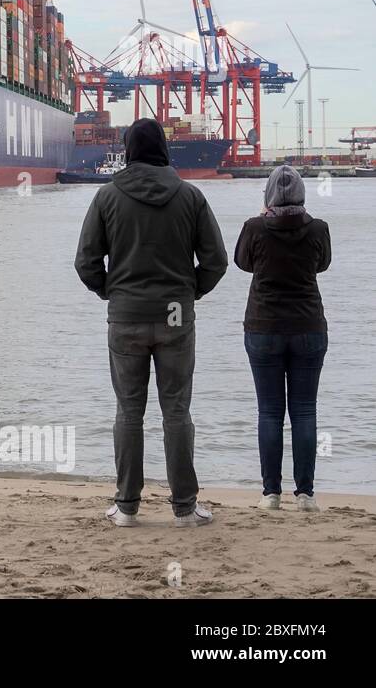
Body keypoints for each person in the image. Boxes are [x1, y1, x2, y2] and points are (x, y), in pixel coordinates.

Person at [74, 118, 227, 527]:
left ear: (127, 149)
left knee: (129, 412)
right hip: (176, 316)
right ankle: (185, 509)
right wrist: (189, 292)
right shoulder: (190, 196)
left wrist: (111, 291)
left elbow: (86, 262)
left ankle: (126, 508)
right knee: (176, 411)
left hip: (125, 315)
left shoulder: (106, 196)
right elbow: (216, 261)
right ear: (164, 148)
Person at [234, 165, 330, 512]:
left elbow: (242, 263)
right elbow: (323, 264)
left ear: (269, 196)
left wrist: (263, 218)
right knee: (305, 412)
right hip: (308, 328)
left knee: (270, 412)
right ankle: (305, 494)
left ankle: (270, 494)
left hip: (263, 328)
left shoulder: (255, 227)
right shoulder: (318, 228)